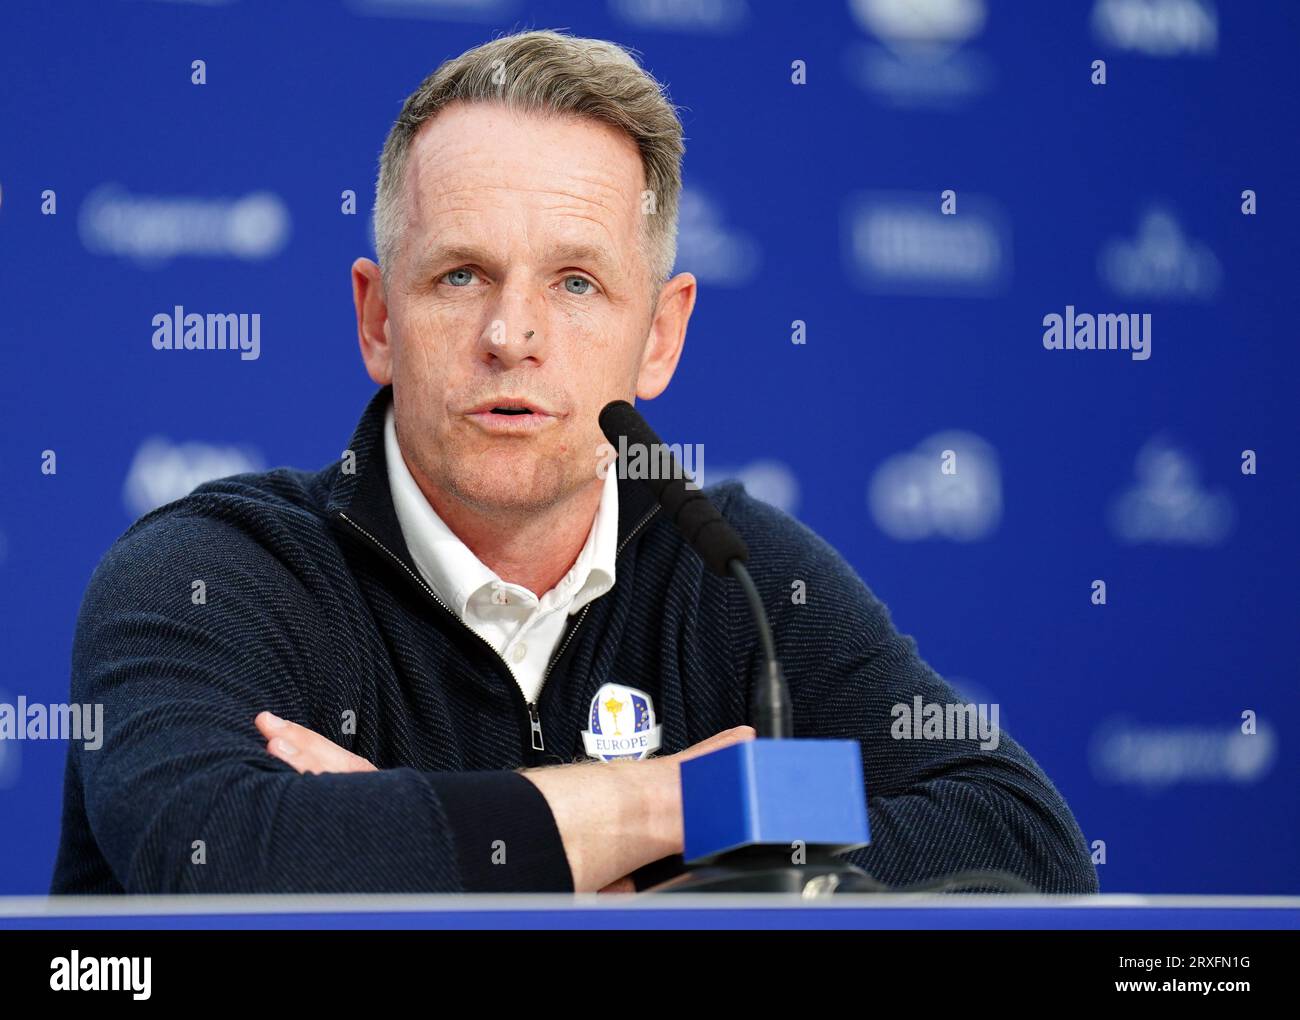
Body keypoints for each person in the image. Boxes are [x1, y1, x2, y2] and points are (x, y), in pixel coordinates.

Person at [50, 29, 1098, 896]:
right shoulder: (209, 574)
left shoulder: (735, 573)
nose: (513, 333)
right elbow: (230, 860)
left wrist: (436, 847)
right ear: (376, 317)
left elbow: (1024, 842)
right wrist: (670, 805)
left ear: (661, 335)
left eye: (577, 284)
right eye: (461, 276)